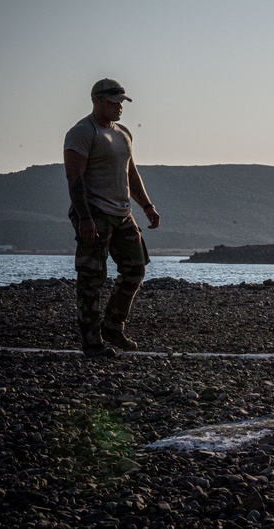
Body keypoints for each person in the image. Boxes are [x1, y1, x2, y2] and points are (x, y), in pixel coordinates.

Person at [63, 78, 160, 358]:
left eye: (122, 102)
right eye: (114, 102)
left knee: (136, 268)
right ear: (97, 101)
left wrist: (147, 206)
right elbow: (75, 178)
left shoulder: (123, 133)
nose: (120, 107)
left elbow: (131, 173)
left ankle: (112, 327)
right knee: (92, 277)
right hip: (94, 212)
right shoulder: (82, 132)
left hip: (122, 213)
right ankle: (92, 342)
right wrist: (84, 219)